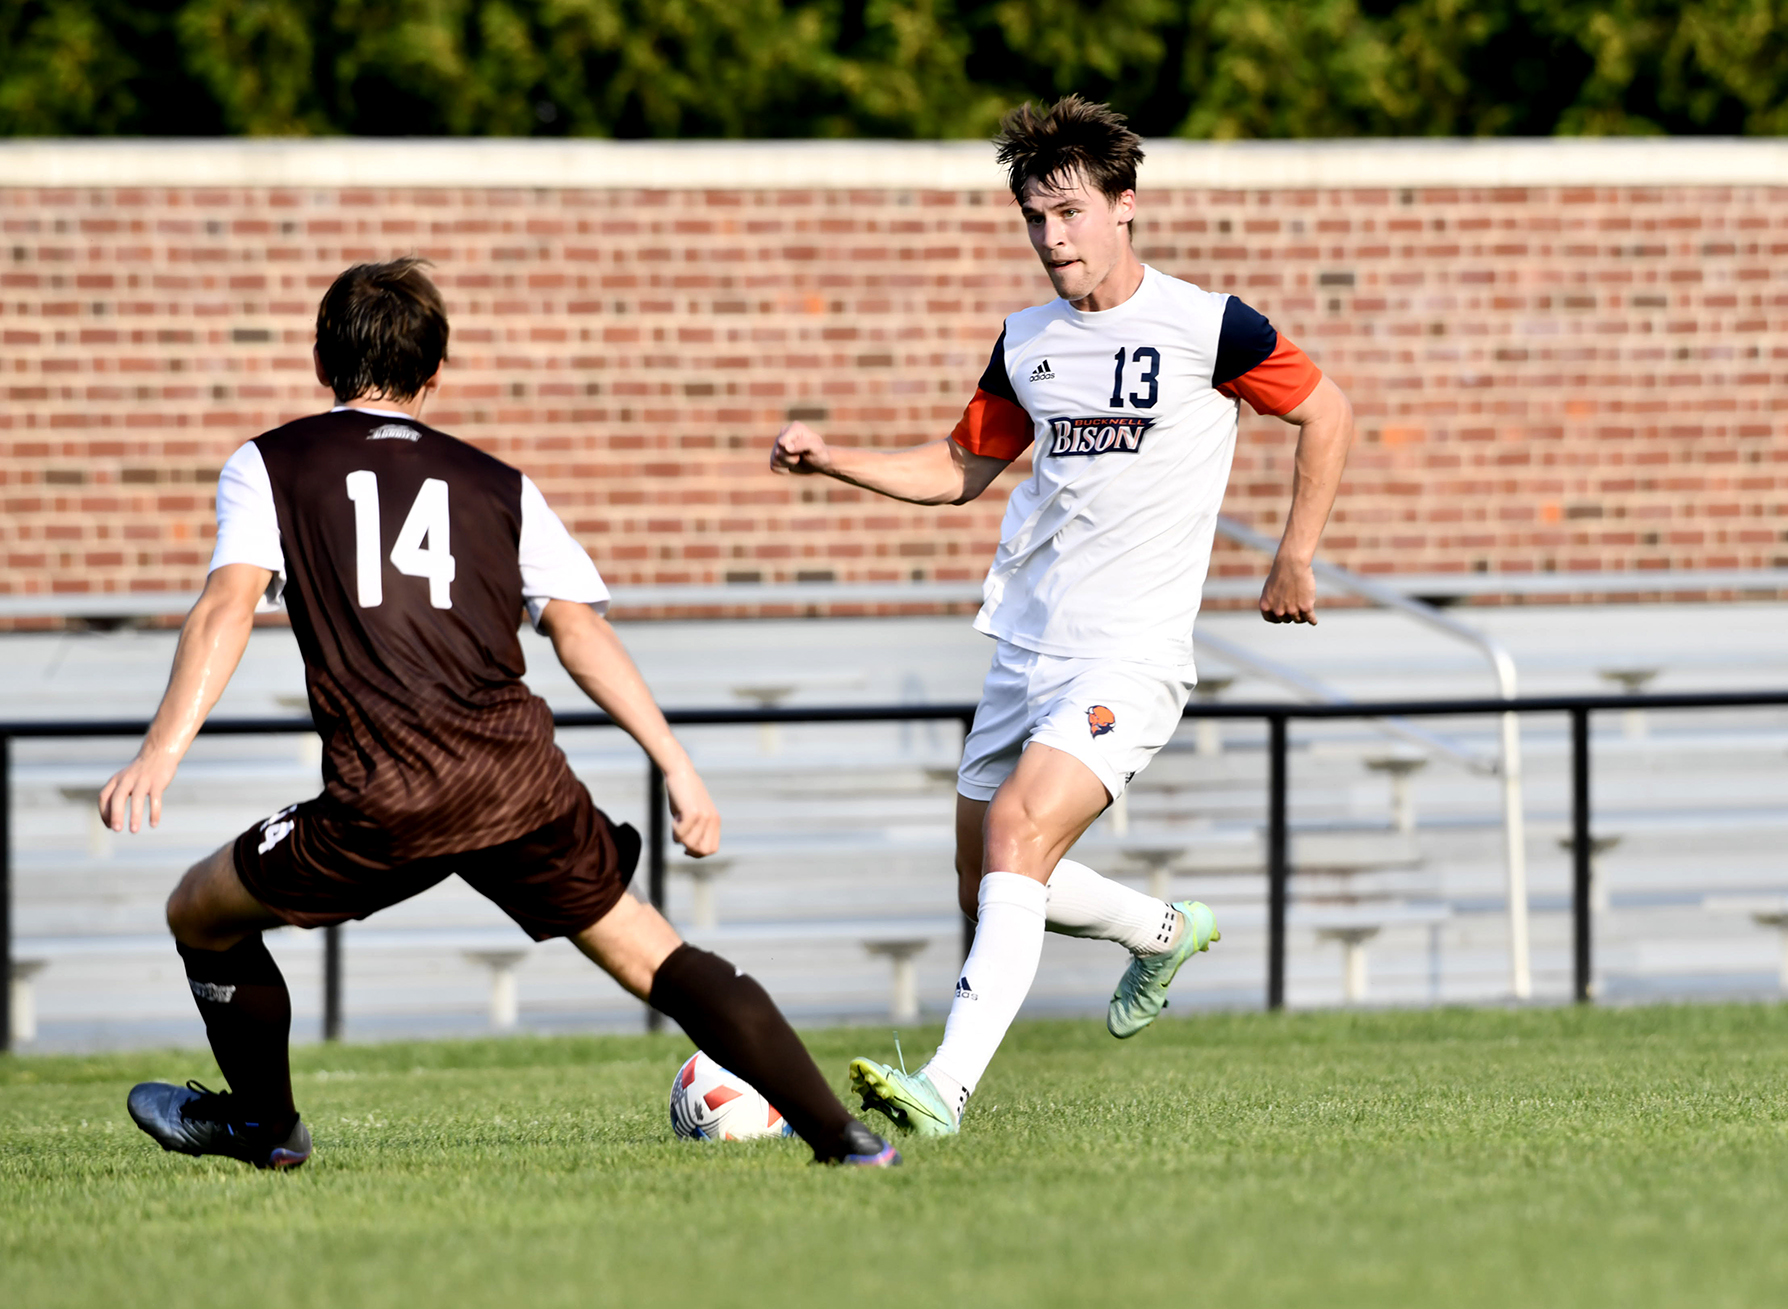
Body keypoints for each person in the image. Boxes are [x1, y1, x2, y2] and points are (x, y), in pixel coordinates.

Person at [101, 257, 897, 1169]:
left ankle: (267, 1127)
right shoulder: (499, 483)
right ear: (436, 373)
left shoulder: (270, 463)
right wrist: (676, 764)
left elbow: (227, 606)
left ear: (321, 361)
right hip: (519, 783)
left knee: (199, 910)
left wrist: (161, 750)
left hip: (387, 794)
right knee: (656, 956)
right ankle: (846, 1138)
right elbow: (579, 631)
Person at [769, 97, 1356, 1135]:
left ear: (1124, 205)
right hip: (1022, 646)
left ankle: (943, 1090)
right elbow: (960, 468)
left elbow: (1326, 408)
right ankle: (1162, 930)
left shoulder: (1208, 325)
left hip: (1128, 656)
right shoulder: (1026, 341)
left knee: (1014, 832)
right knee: (985, 880)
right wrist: (833, 460)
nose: (1052, 238)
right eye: (1035, 219)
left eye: (1071, 213)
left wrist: (1294, 554)